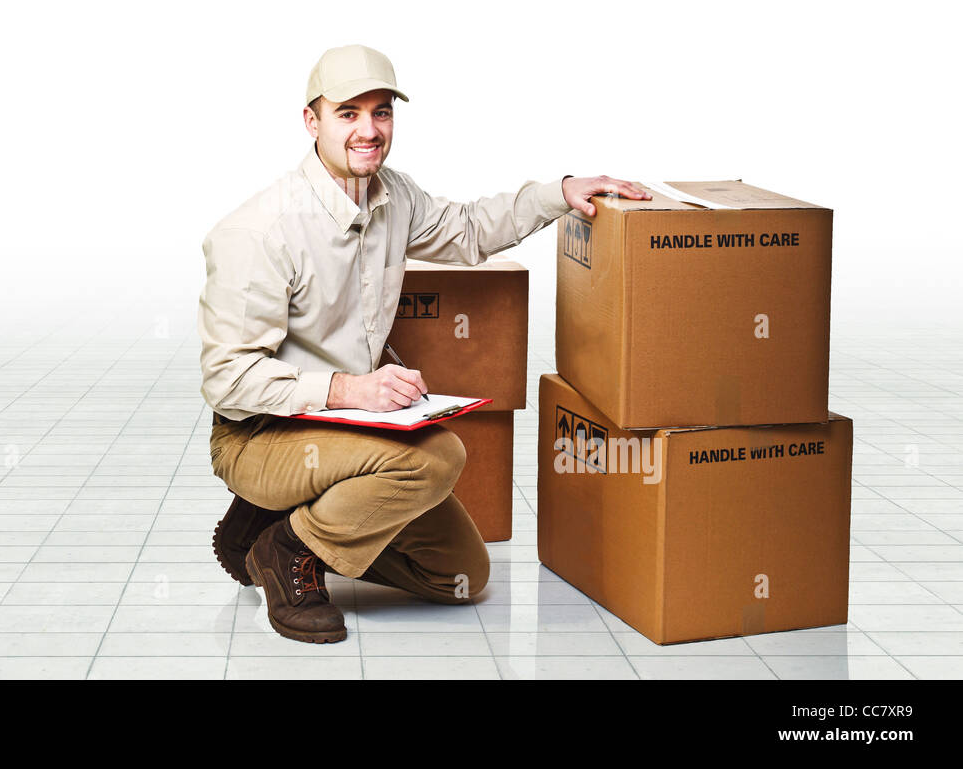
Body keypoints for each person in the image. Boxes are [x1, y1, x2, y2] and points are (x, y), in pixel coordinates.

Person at [197, 44, 650, 643]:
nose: (368, 130)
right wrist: (348, 387)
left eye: (381, 112)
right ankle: (286, 552)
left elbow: (467, 230)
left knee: (459, 574)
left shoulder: (393, 197)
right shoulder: (260, 232)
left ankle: (271, 524)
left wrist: (556, 192)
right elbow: (225, 381)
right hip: (261, 434)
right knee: (437, 458)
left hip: (348, 428)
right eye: (348, 113)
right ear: (312, 121)